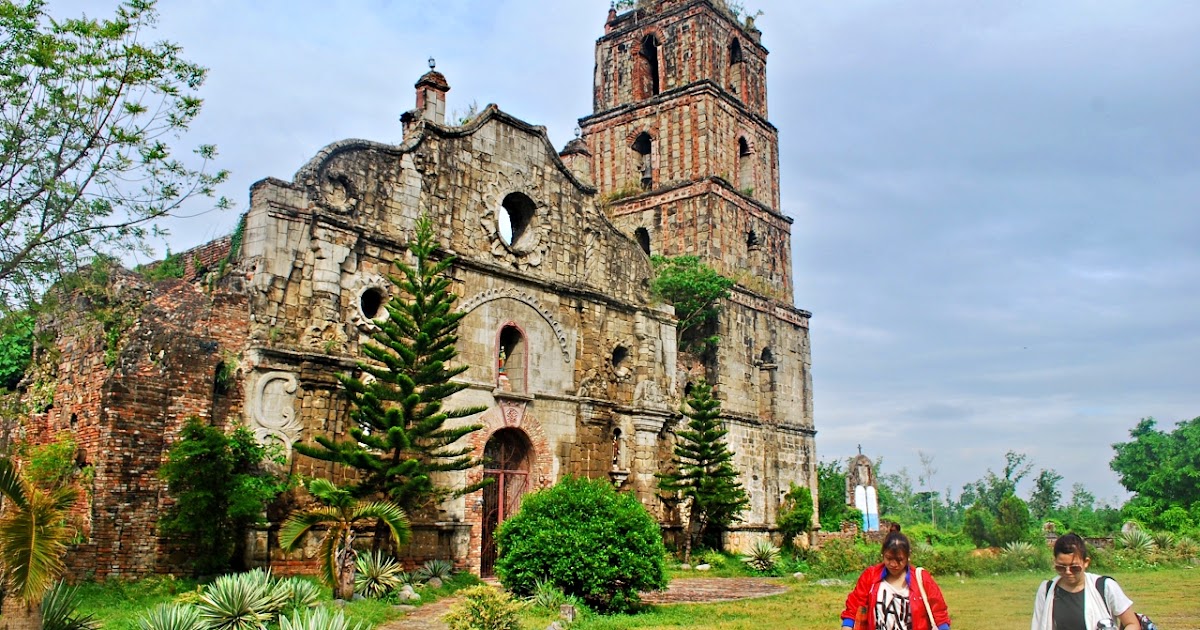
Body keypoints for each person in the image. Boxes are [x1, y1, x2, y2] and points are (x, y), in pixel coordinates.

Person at [840, 527, 951, 630]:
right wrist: (847, 626)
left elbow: (939, 614)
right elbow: (854, 607)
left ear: (908, 556)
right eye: (888, 558)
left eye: (899, 559)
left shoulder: (921, 579)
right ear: (882, 554)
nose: (893, 564)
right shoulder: (870, 576)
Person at [1031, 533, 1139, 630]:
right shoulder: (1046, 590)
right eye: (1061, 567)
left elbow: (1132, 623)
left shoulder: (1105, 587)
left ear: (1086, 562)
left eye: (1074, 568)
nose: (1068, 572)